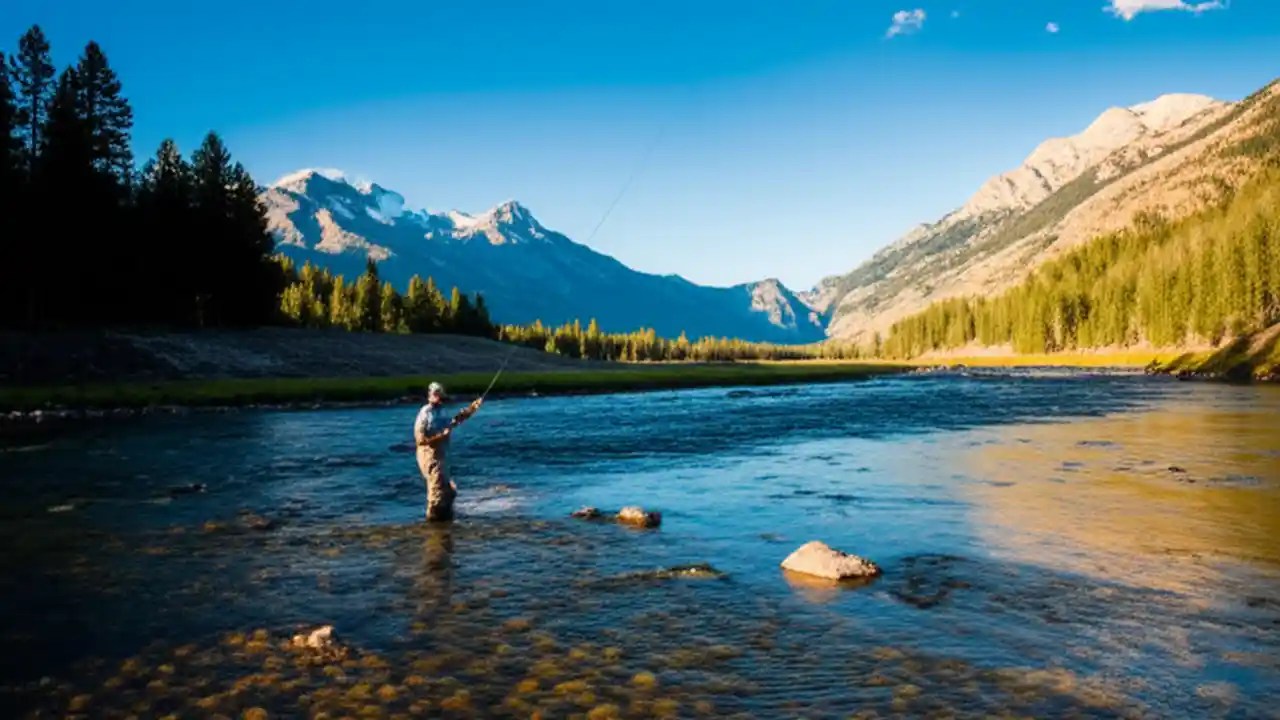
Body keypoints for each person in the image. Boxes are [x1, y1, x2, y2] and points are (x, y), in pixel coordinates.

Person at [414, 382, 483, 522]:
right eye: (435, 395)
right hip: (429, 456)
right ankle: (433, 528)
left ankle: (446, 524)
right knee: (437, 495)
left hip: (442, 456)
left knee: (449, 492)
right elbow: (420, 440)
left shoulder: (443, 411)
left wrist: (471, 409)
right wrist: (440, 437)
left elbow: (454, 422)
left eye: (440, 395)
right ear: (429, 395)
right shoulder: (425, 413)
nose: (438, 398)